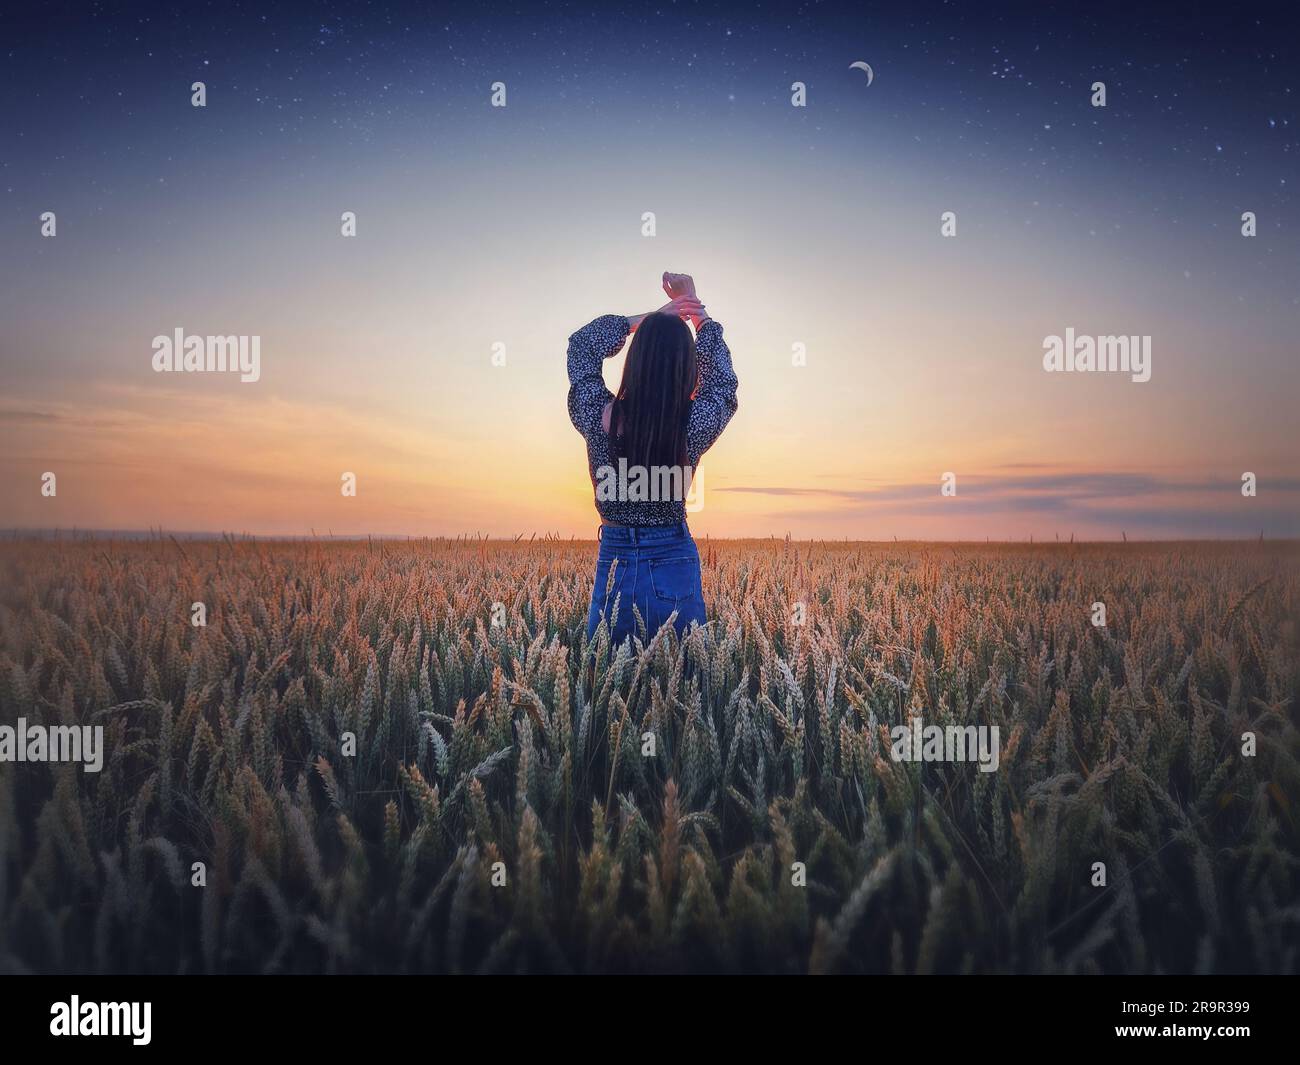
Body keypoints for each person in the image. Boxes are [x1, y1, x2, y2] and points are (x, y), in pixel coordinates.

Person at [566, 272, 739, 650]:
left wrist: (646, 320)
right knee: (683, 685)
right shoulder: (692, 425)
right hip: (672, 560)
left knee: (610, 689)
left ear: (635, 361)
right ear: (687, 368)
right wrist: (697, 314)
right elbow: (723, 385)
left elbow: (582, 346)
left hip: (613, 563)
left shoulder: (598, 415)